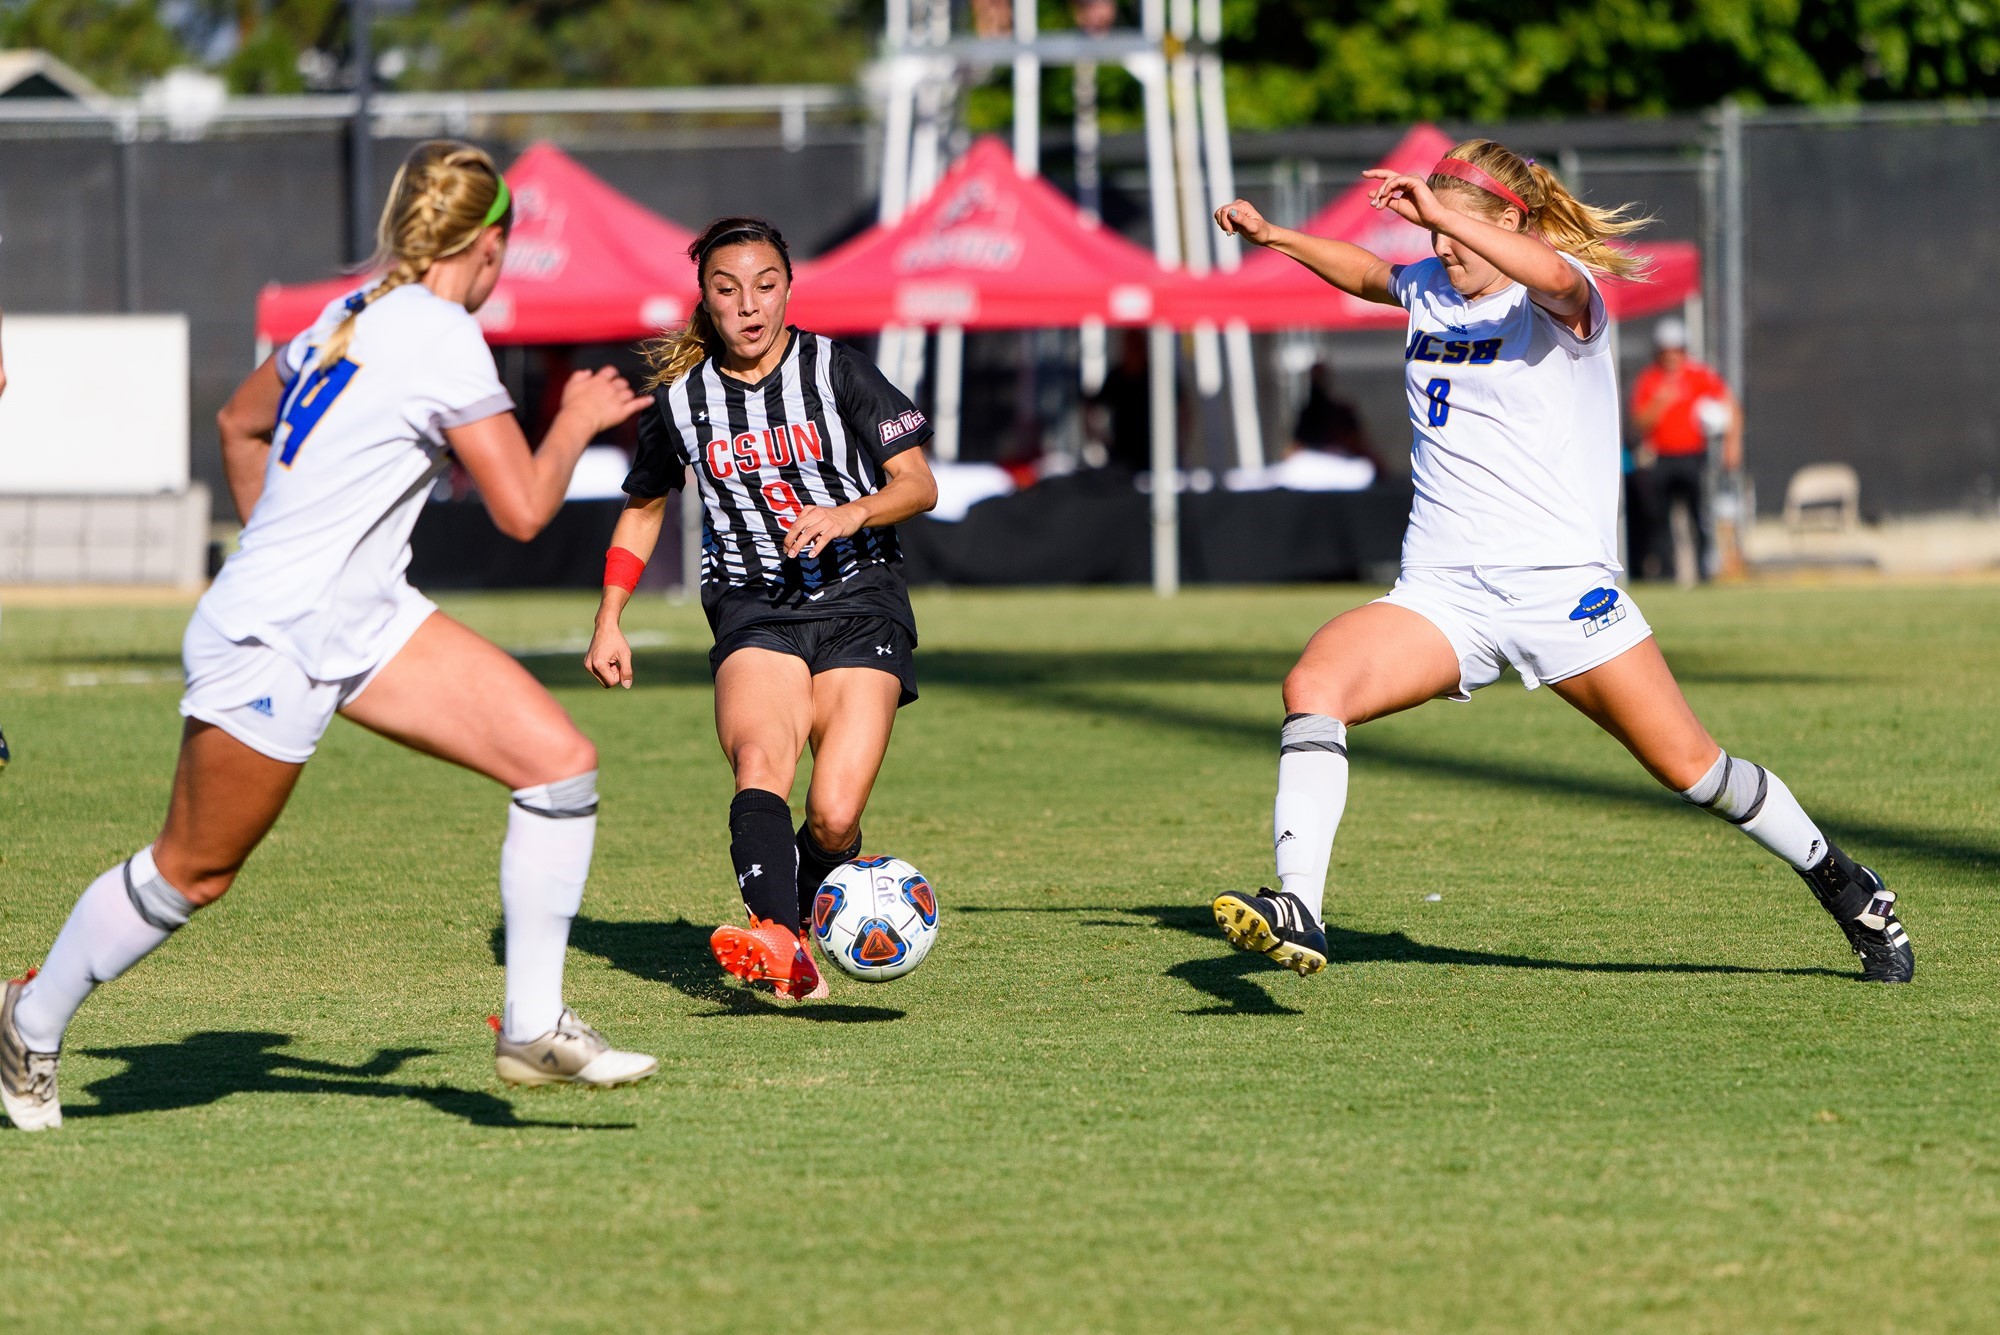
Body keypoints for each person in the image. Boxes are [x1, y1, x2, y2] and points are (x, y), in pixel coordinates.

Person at [0, 141, 659, 1135]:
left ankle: (529, 1024)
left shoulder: (346, 315)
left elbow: (236, 422)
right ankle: (26, 1017)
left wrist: (282, 546)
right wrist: (573, 419)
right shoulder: (438, 332)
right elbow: (523, 507)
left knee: (557, 766)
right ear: (486, 245)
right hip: (274, 635)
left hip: (363, 617)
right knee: (194, 871)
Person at [1205, 141, 1911, 985]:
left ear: (1510, 220)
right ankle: (1302, 909)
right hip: (1441, 593)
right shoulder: (1433, 282)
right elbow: (1369, 274)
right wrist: (1277, 236)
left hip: (1560, 591)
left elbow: (1553, 275)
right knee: (1314, 685)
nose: (1439, 250)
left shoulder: (1563, 293)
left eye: (1457, 232)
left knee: (1696, 771)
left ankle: (1845, 883)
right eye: (1432, 233)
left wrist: (1440, 214)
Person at [585, 217, 939, 1001]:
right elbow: (643, 508)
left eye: (765, 285)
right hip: (756, 607)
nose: (749, 305)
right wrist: (610, 617)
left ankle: (808, 906)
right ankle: (781, 940)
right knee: (759, 764)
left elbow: (918, 483)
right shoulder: (682, 403)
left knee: (835, 816)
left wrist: (848, 514)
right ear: (705, 301)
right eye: (727, 289)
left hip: (861, 603)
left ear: (788, 288)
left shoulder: (838, 370)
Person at [1630, 316, 1741, 581]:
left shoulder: (1699, 375)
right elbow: (1639, 422)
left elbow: (1730, 406)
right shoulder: (1650, 379)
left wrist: (1731, 445)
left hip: (1693, 457)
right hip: (1661, 458)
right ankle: (1666, 574)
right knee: (1660, 520)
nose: (1671, 356)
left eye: (1676, 350)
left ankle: (1705, 574)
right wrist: (1660, 403)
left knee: (1698, 517)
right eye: (1666, 350)